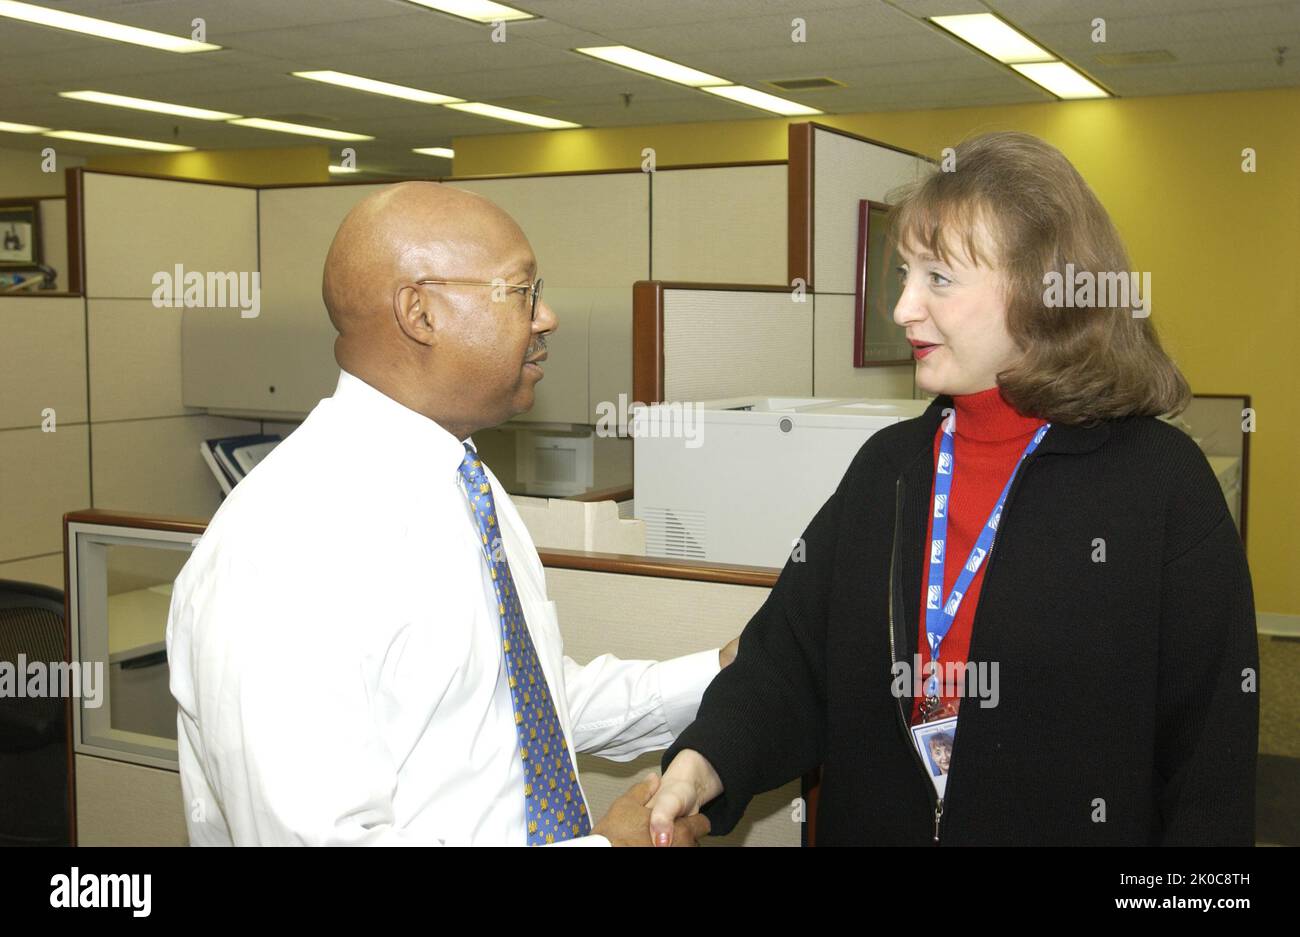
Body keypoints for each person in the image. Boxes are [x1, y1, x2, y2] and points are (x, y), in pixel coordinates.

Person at [649, 131, 1259, 846]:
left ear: (1044, 292)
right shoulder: (890, 469)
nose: (904, 307)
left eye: (938, 278)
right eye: (905, 274)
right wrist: (703, 760)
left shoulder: (1161, 486)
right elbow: (789, 659)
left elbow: (1207, 763)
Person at [166, 181, 731, 846]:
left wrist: (722, 671)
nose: (545, 316)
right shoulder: (285, 543)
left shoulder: (467, 482)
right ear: (421, 312)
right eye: (521, 290)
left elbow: (522, 709)